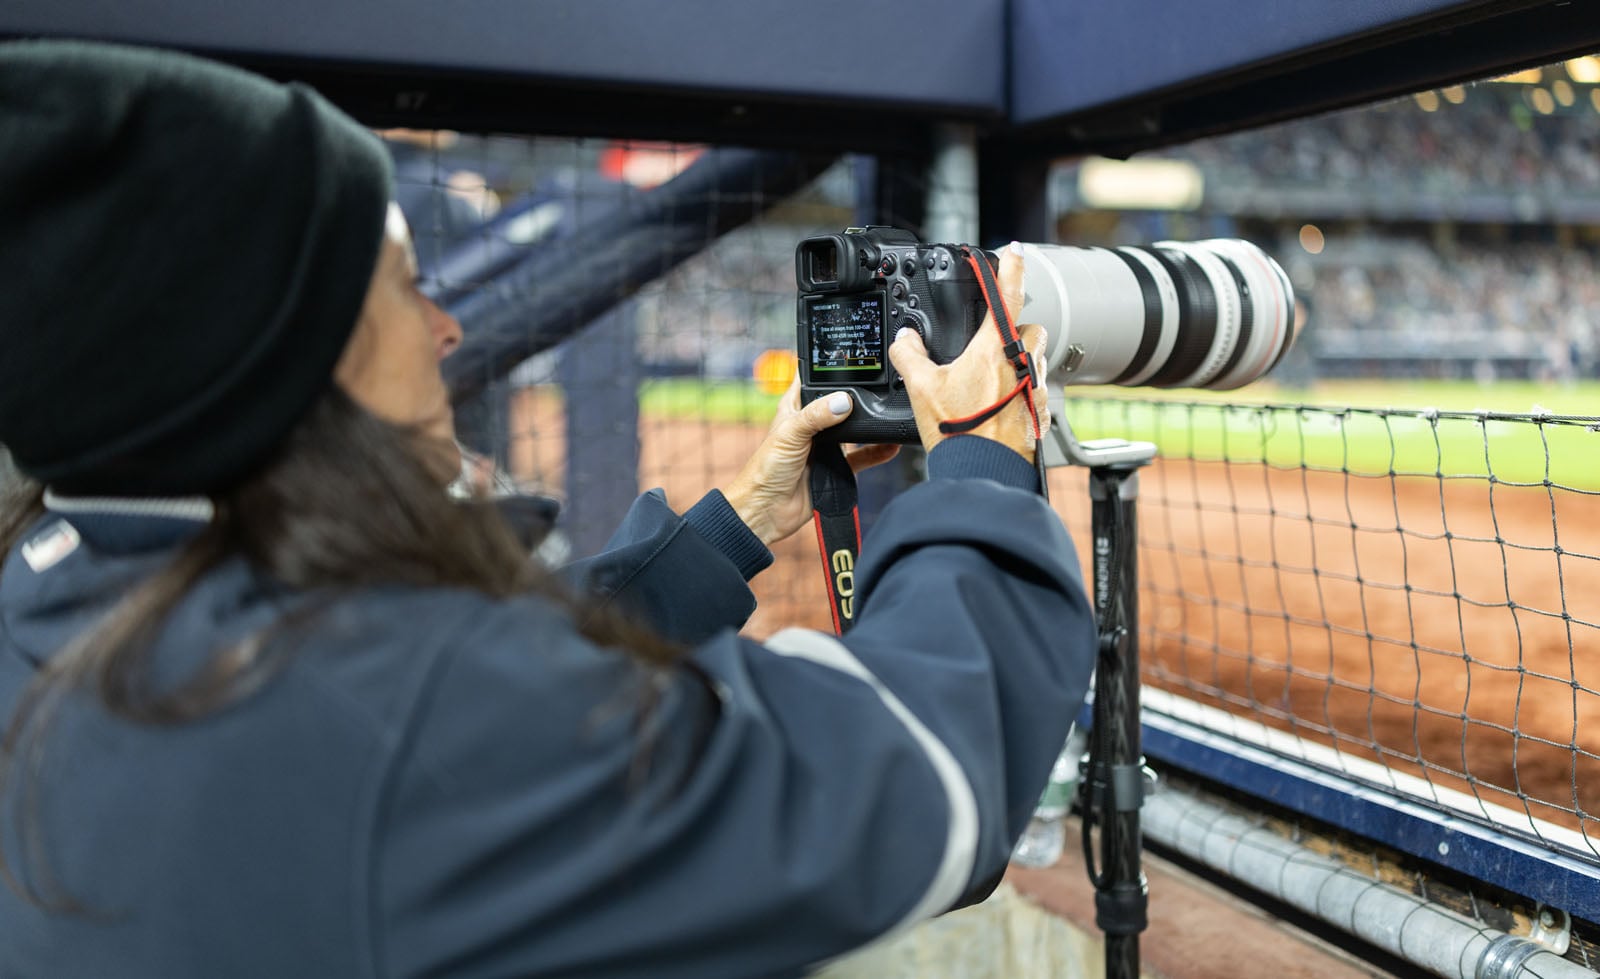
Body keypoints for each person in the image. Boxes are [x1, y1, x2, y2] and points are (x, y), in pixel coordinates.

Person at [0, 40, 1096, 979]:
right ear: (271, 352)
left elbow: (477, 695)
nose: (440, 328)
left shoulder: (61, 593)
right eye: (395, 284)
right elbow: (908, 786)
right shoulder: (398, 714)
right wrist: (985, 475)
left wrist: (735, 525)